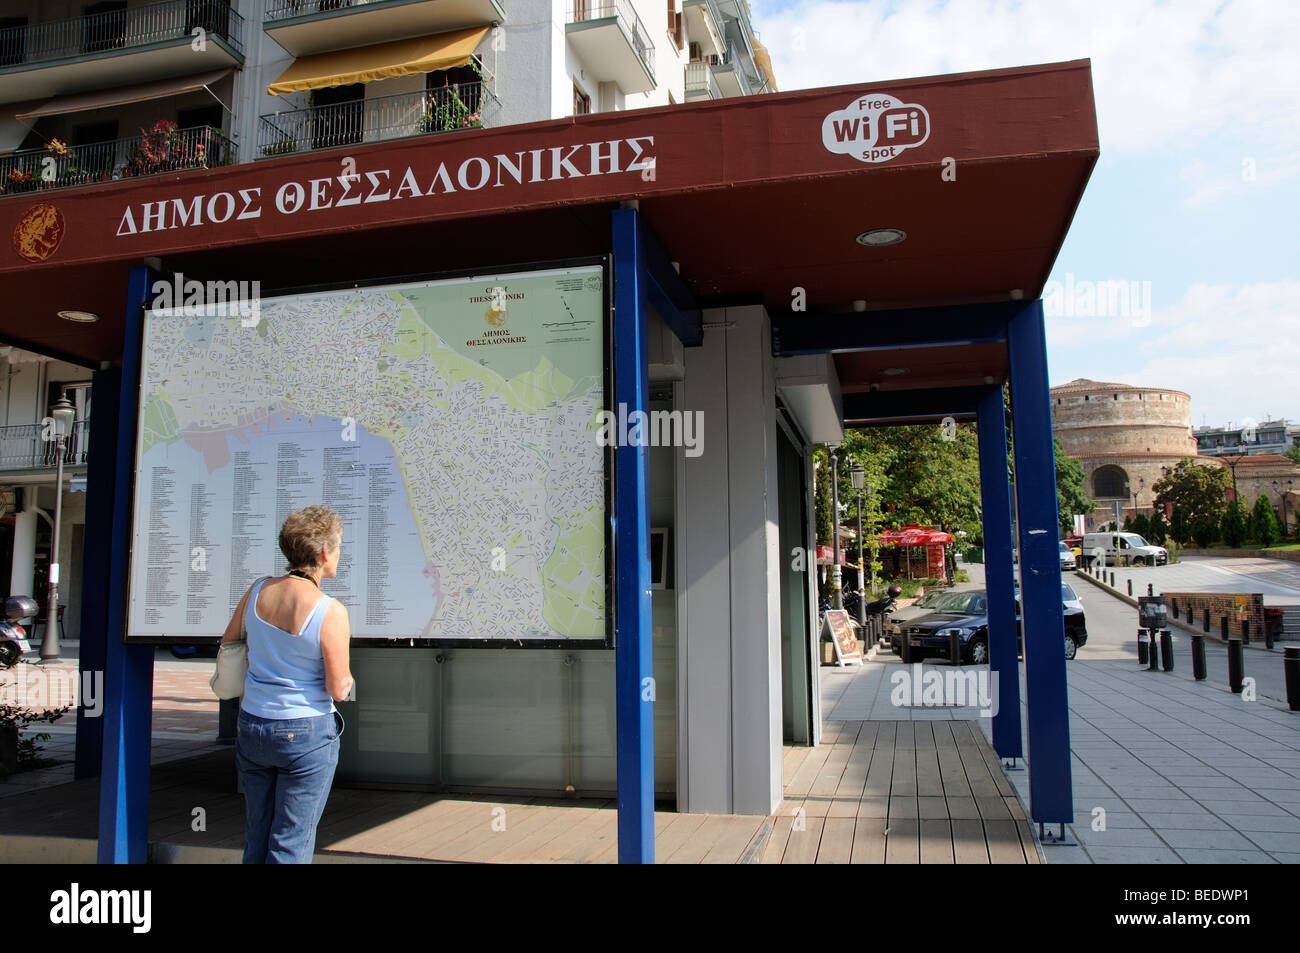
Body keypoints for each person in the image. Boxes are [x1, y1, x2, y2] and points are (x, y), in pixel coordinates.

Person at [221, 504, 354, 864]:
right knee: (290, 843)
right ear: (324, 552)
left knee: (257, 834)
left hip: (252, 725)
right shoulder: (330, 611)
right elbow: (339, 688)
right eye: (339, 546)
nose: (339, 554)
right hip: (306, 733)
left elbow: (229, 642)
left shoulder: (257, 590)